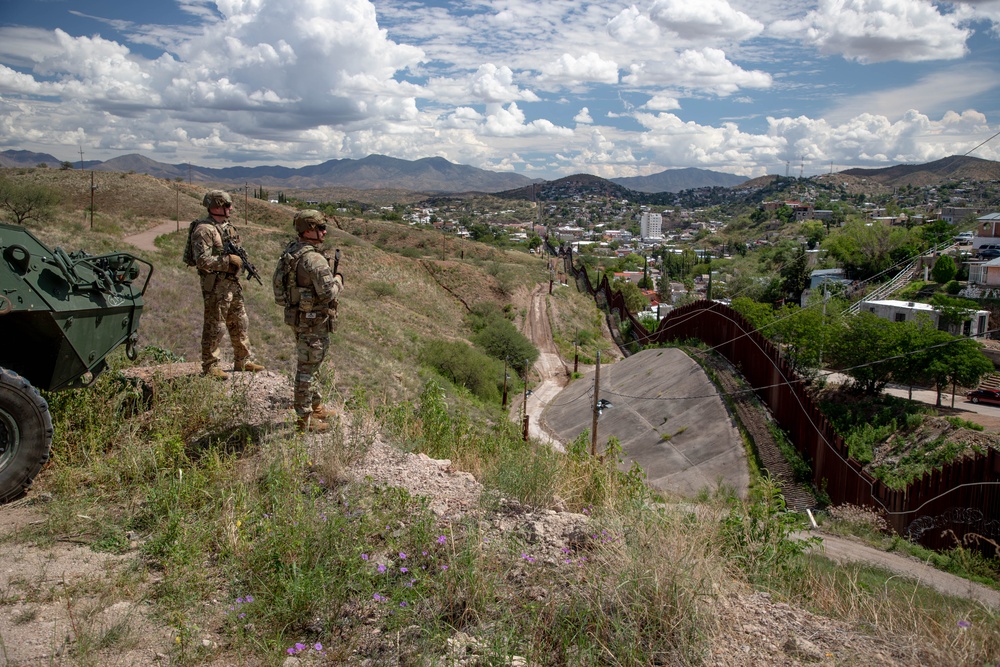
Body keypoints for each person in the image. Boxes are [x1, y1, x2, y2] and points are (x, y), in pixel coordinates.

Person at [274, 209, 343, 433]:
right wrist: (339, 280)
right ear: (309, 230)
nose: (324, 232)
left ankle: (316, 406)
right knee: (307, 368)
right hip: (313, 321)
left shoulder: (292, 251)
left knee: (312, 364)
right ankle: (305, 418)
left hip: (299, 317)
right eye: (321, 228)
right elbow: (328, 293)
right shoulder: (313, 258)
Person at [190, 190, 265, 380]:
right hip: (215, 285)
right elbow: (202, 261)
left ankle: (243, 360)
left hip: (231, 284)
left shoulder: (227, 227)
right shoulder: (204, 230)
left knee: (240, 322)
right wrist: (227, 261)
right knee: (215, 325)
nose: (230, 208)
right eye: (227, 205)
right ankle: (210, 365)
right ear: (216, 206)